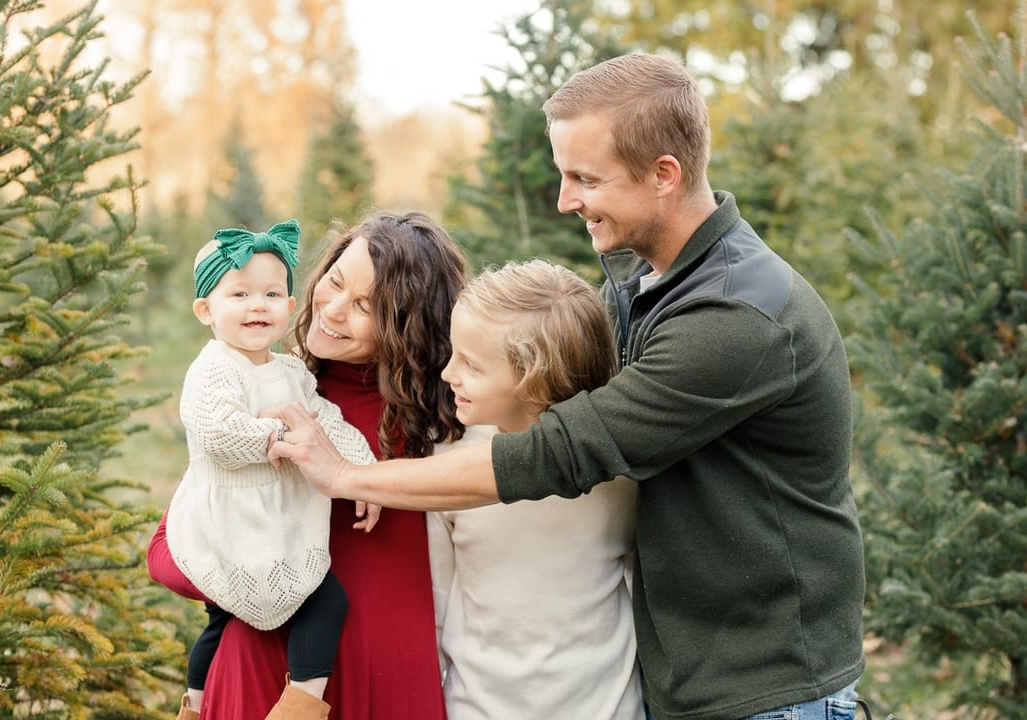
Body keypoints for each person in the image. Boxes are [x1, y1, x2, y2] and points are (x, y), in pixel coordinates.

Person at [271, 53, 867, 720]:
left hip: (767, 692)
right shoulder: (642, 285)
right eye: (563, 174)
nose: (564, 200)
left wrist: (348, 477)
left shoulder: (736, 317)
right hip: (686, 684)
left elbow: (560, 451)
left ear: (664, 175)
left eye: (586, 178)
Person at [147, 210, 465, 720]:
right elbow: (165, 551)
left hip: (383, 673)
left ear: (408, 325)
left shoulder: (438, 424)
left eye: (365, 305)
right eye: (335, 282)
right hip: (261, 669)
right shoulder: (274, 389)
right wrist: (252, 582)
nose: (333, 310)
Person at [159, 219, 379, 720]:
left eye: (271, 293)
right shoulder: (213, 368)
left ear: (289, 306)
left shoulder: (292, 372)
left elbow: (327, 421)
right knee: (223, 615)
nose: (257, 305)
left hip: (279, 517)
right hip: (229, 518)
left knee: (323, 599)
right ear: (205, 310)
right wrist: (277, 439)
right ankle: (196, 705)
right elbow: (216, 431)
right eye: (239, 294)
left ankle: (299, 703)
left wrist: (361, 470)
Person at [428, 258, 644, 719]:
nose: (448, 374)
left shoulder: (618, 472)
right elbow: (438, 610)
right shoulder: (448, 465)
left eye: (470, 364)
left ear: (533, 377)